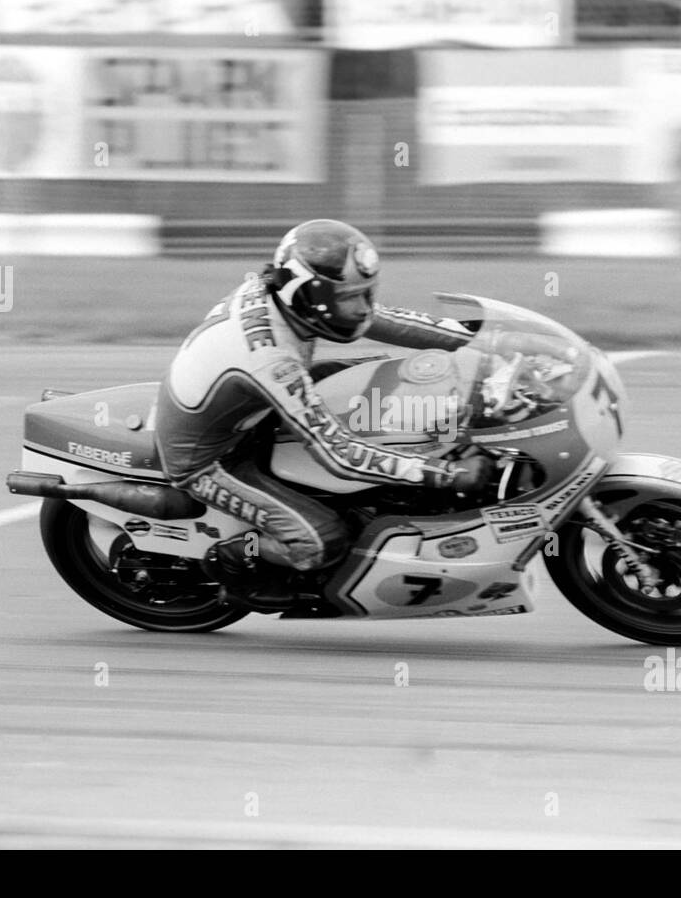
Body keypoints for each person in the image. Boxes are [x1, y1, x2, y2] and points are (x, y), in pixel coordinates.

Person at [154, 219, 494, 607]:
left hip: (254, 409)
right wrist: (444, 475)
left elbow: (384, 320)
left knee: (394, 378)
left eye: (365, 293)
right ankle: (235, 562)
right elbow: (339, 455)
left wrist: (479, 338)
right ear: (308, 295)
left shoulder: (288, 295)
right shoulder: (271, 360)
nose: (361, 307)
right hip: (212, 458)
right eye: (351, 298)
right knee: (323, 540)